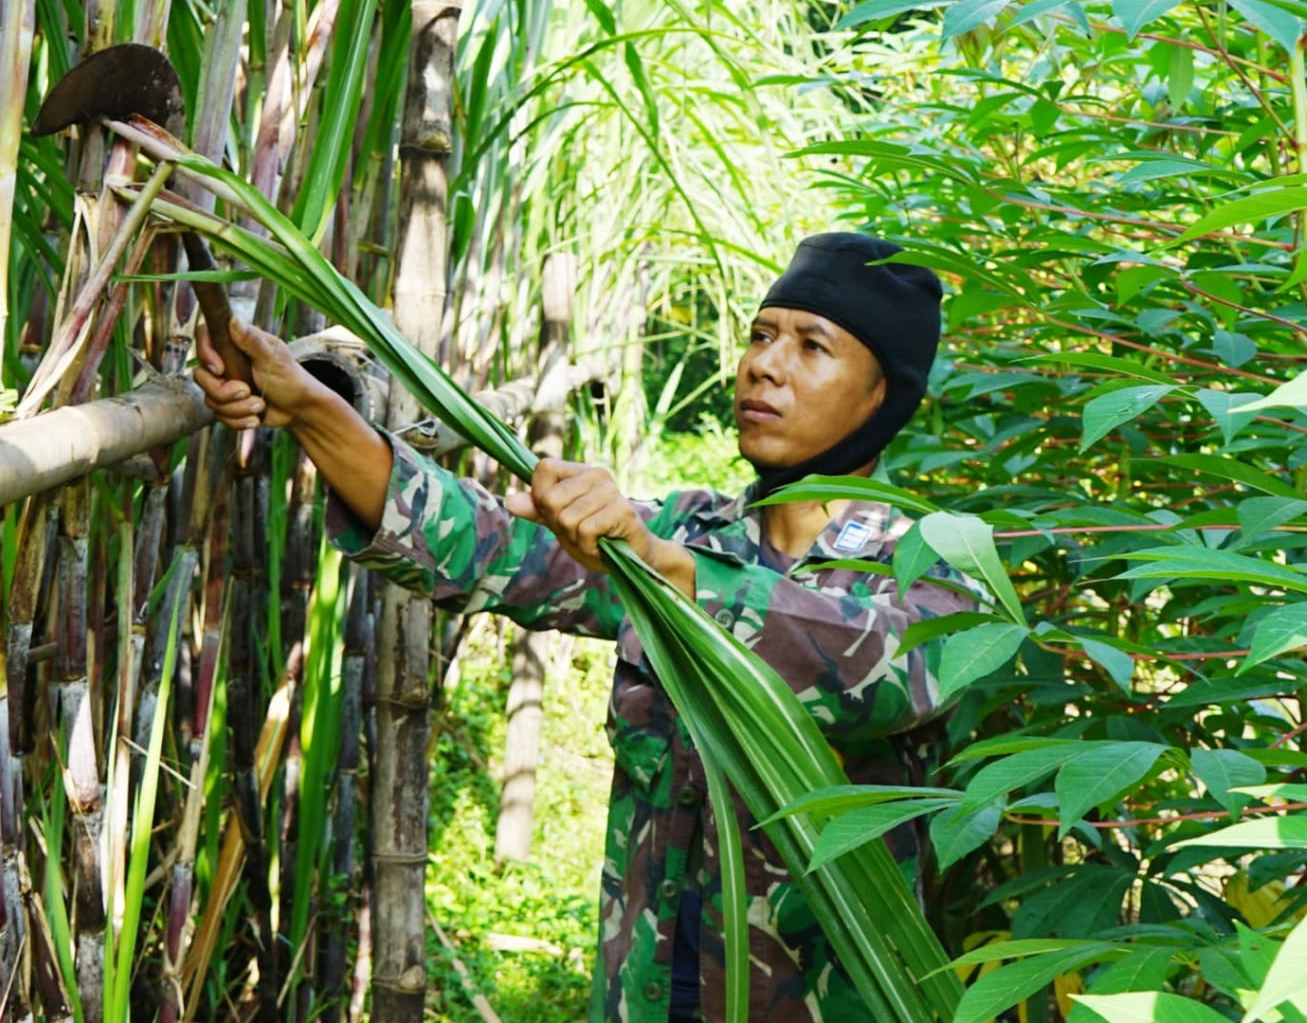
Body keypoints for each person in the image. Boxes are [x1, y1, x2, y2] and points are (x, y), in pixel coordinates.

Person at [194, 232, 979, 1022]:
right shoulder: (689, 527)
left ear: (882, 395)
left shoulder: (935, 559)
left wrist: (669, 571)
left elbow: (887, 673)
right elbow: (483, 541)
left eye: (812, 346)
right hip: (646, 992)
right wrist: (311, 408)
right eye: (761, 335)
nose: (764, 365)